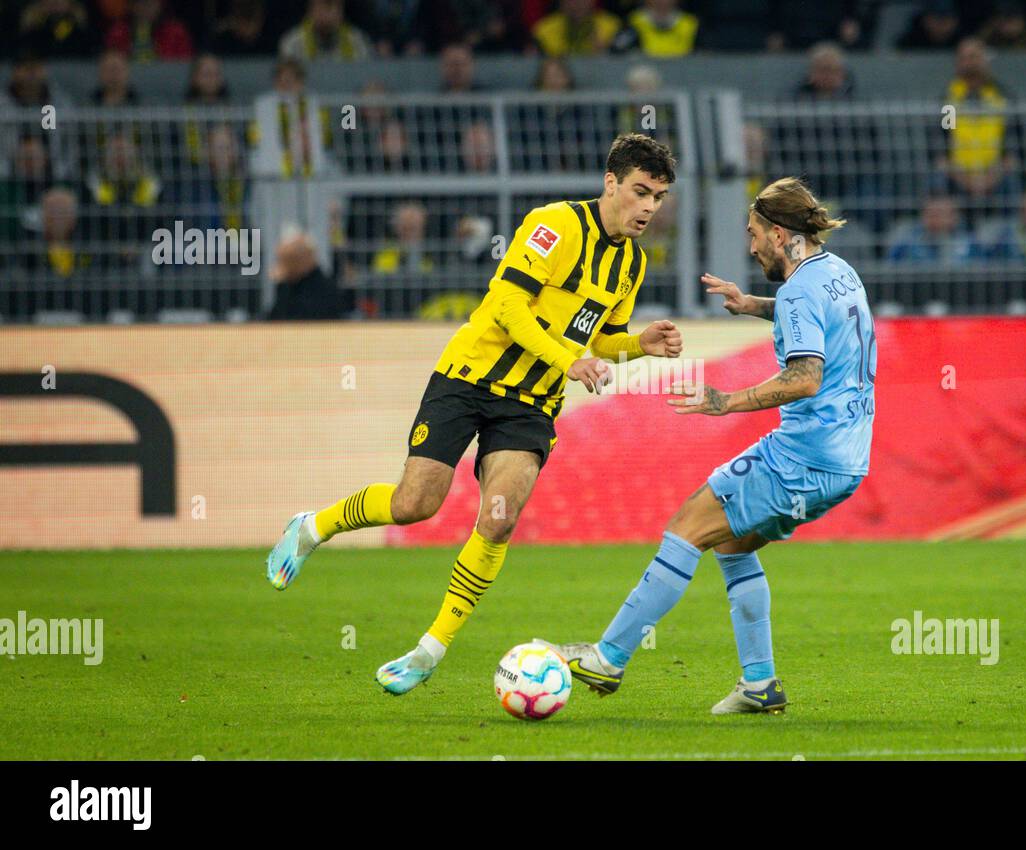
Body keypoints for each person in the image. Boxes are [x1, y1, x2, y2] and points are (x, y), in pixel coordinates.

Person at [264, 135, 684, 697]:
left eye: (658, 197)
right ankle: (313, 527)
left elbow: (599, 336)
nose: (649, 208)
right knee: (416, 503)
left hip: (531, 405)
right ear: (611, 183)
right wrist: (571, 359)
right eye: (640, 192)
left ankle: (430, 648)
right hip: (469, 377)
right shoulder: (555, 225)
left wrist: (638, 344)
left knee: (500, 517)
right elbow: (509, 308)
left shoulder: (631, 262)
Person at [539, 177, 874, 715]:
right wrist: (752, 306)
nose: (750, 246)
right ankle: (760, 684)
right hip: (847, 459)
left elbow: (806, 376)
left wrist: (725, 401)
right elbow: (815, 317)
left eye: (754, 234)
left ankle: (609, 658)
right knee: (732, 543)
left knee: (687, 526)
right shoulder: (838, 274)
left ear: (780, 233)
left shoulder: (800, 290)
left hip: (805, 454)